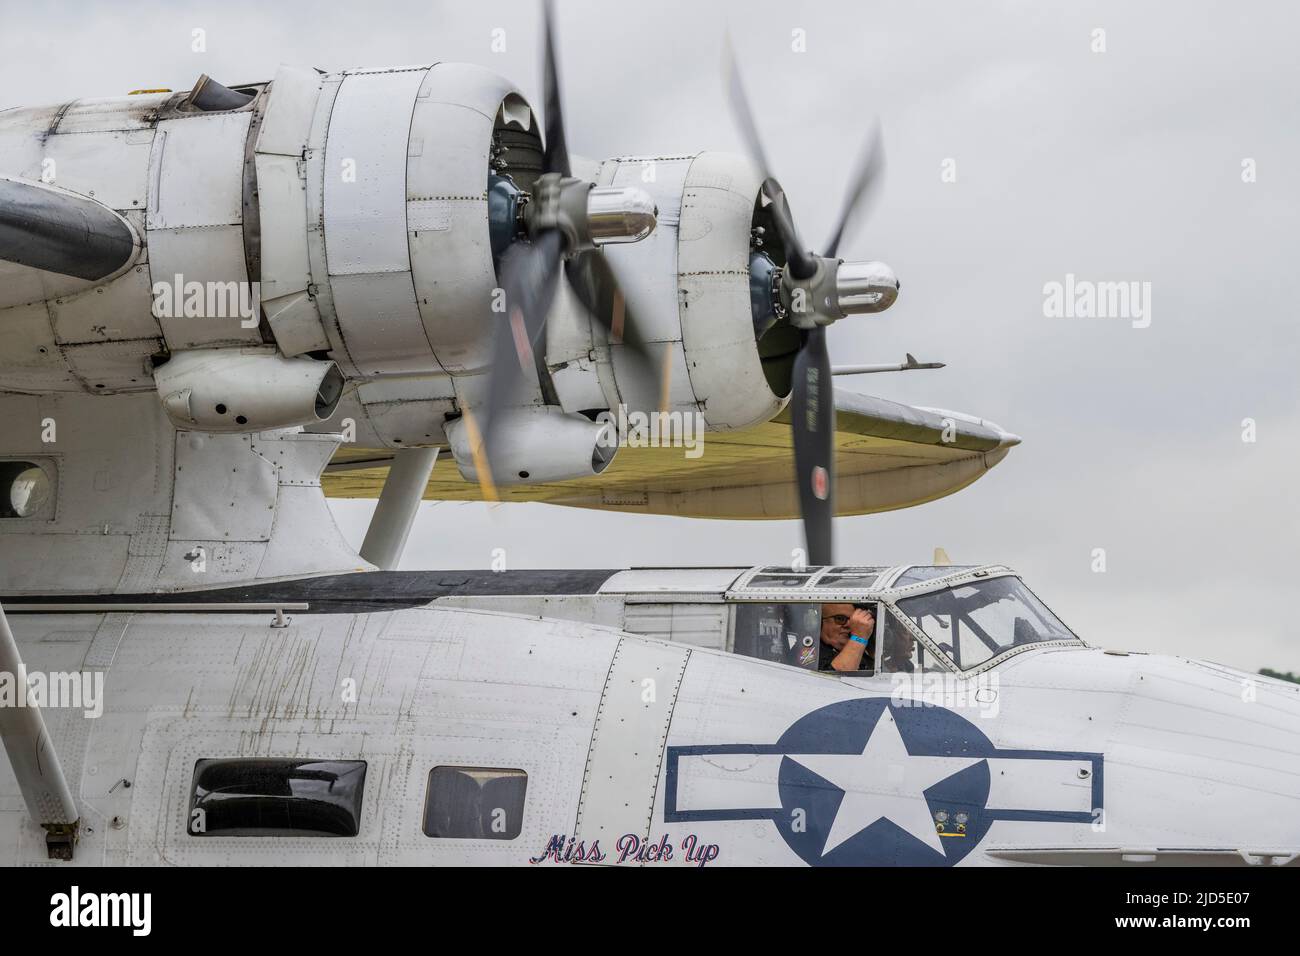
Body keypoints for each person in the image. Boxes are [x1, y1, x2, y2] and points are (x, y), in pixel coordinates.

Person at [819, 603, 877, 672]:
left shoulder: (863, 655)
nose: (850, 625)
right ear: (820, 622)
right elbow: (837, 678)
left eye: (853, 621)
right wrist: (859, 636)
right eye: (840, 619)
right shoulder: (813, 653)